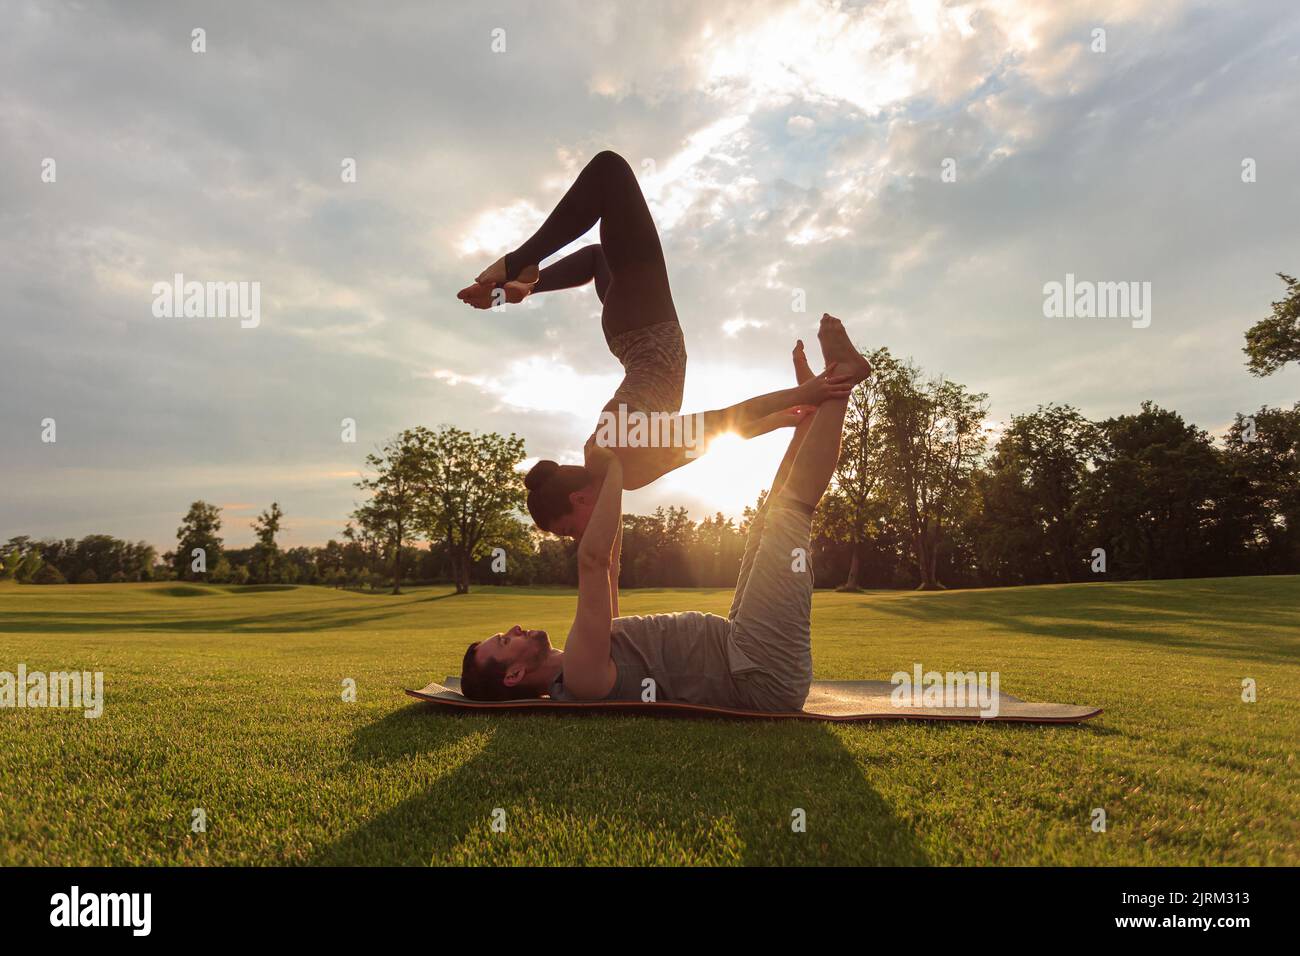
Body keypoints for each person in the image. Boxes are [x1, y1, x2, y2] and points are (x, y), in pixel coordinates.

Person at [460, 313, 871, 712]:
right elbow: (593, 559)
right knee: (787, 515)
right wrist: (613, 465)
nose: (513, 630)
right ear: (513, 675)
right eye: (502, 642)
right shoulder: (581, 676)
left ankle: (816, 412)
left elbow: (608, 565)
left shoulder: (591, 648)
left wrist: (782, 419)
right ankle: (843, 376)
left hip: (740, 648)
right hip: (758, 674)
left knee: (766, 520)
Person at [458, 150, 853, 539]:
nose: (580, 538)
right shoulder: (629, 474)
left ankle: (519, 264)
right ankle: (526, 284)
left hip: (645, 328)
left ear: (579, 500)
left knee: (610, 172)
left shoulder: (612, 449)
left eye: (570, 531)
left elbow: (721, 417)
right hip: (631, 334)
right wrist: (783, 417)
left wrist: (801, 392)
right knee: (601, 257)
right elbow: (712, 438)